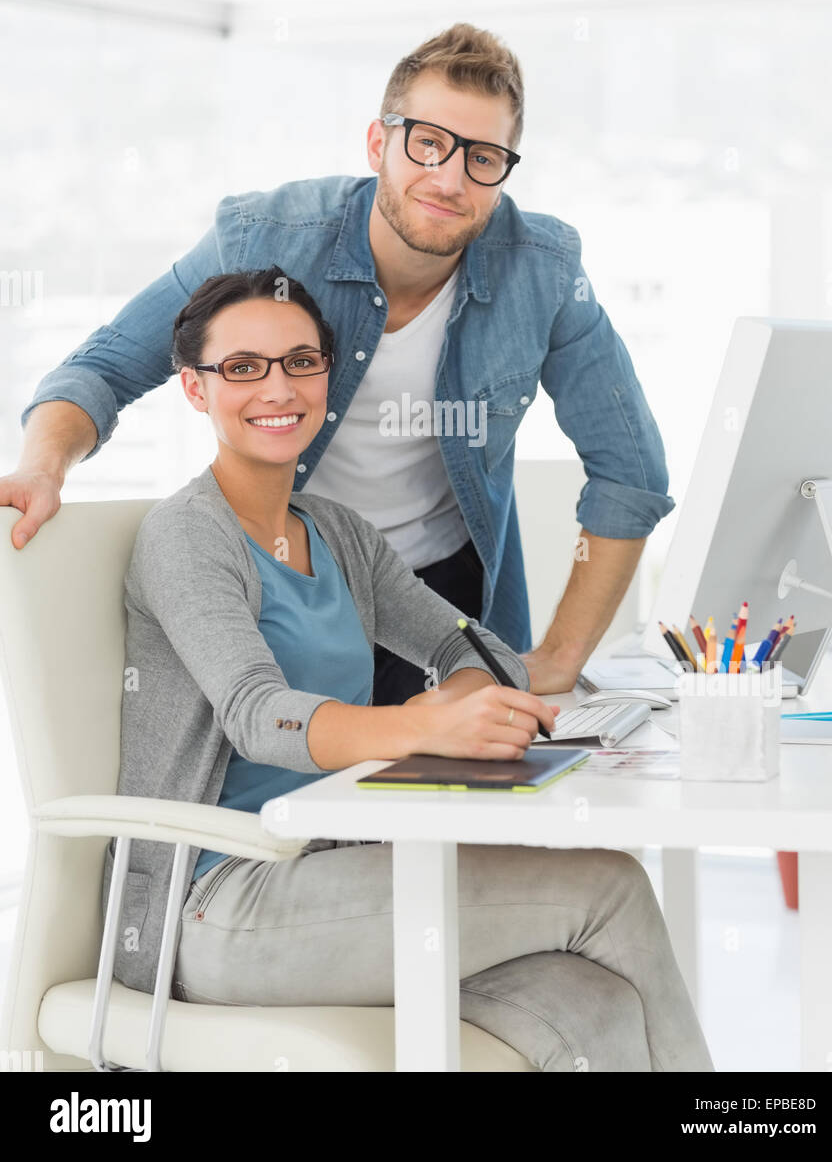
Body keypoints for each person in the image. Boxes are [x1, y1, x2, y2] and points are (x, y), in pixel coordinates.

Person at [103, 265, 714, 1073]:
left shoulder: (336, 531)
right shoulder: (186, 535)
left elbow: (469, 647)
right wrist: (425, 724)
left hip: (342, 876)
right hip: (223, 902)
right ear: (194, 389)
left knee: (592, 1003)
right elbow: (257, 712)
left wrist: (469, 704)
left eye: (301, 361)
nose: (277, 387)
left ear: (327, 374)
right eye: (242, 367)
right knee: (611, 888)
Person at [5, 22, 674, 706]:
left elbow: (632, 469)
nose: (448, 179)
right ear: (378, 143)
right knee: (291, 794)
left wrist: (561, 656)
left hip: (441, 605)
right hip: (287, 588)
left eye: (483, 157)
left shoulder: (545, 269)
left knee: (452, 801)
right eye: (428, 143)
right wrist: (42, 466)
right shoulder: (266, 238)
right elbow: (106, 366)